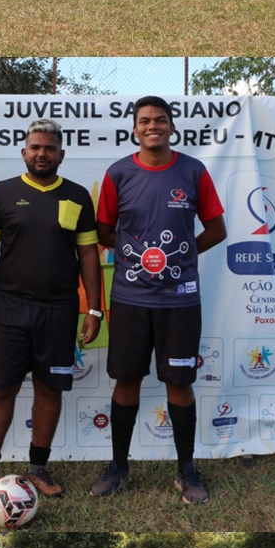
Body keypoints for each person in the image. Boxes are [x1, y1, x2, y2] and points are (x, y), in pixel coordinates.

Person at [90, 96, 227, 504]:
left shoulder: (193, 171)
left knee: (179, 383)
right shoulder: (118, 174)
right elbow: (103, 231)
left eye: (160, 120)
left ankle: (186, 469)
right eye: (145, 121)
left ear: (171, 126)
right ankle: (119, 466)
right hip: (131, 299)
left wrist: (179, 257)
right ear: (135, 129)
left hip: (180, 301)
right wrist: (140, 259)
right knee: (126, 379)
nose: (153, 126)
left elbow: (217, 229)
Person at [0, 121, 103, 505]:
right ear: (24, 153)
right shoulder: (3, 193)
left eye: (50, 148)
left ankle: (38, 468)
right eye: (35, 147)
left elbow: (88, 254)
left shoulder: (76, 196)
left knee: (49, 388)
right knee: (0, 389)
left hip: (59, 310)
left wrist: (94, 309)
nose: (42, 153)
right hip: (9, 307)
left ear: (61, 154)